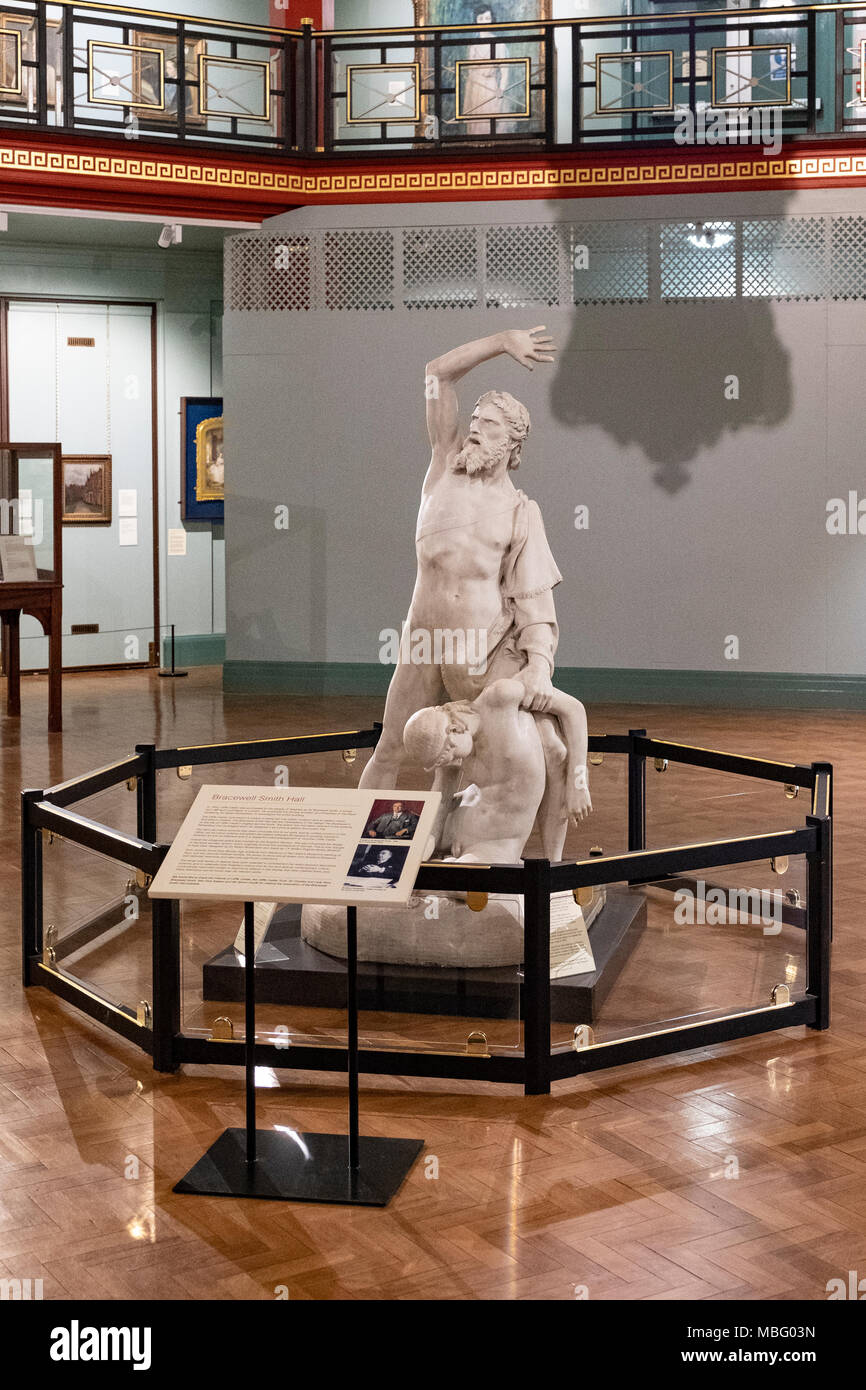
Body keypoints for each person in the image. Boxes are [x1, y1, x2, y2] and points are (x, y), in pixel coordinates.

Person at [359, 326, 561, 794]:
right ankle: (362, 857)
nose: (475, 426)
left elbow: (533, 598)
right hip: (424, 639)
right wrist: (501, 342)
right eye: (475, 417)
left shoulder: (520, 512)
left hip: (482, 649)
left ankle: (501, 852)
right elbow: (436, 374)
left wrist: (539, 665)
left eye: (489, 423)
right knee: (391, 746)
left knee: (506, 753)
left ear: (512, 442)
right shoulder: (443, 468)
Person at [404, 676, 591, 865]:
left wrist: (579, 783)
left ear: (454, 729)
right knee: (398, 837)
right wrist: (424, 846)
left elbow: (574, 709)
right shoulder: (452, 745)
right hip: (457, 827)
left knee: (454, 881)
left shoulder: (501, 697)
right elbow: (442, 800)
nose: (453, 762)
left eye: (449, 755)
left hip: (497, 843)